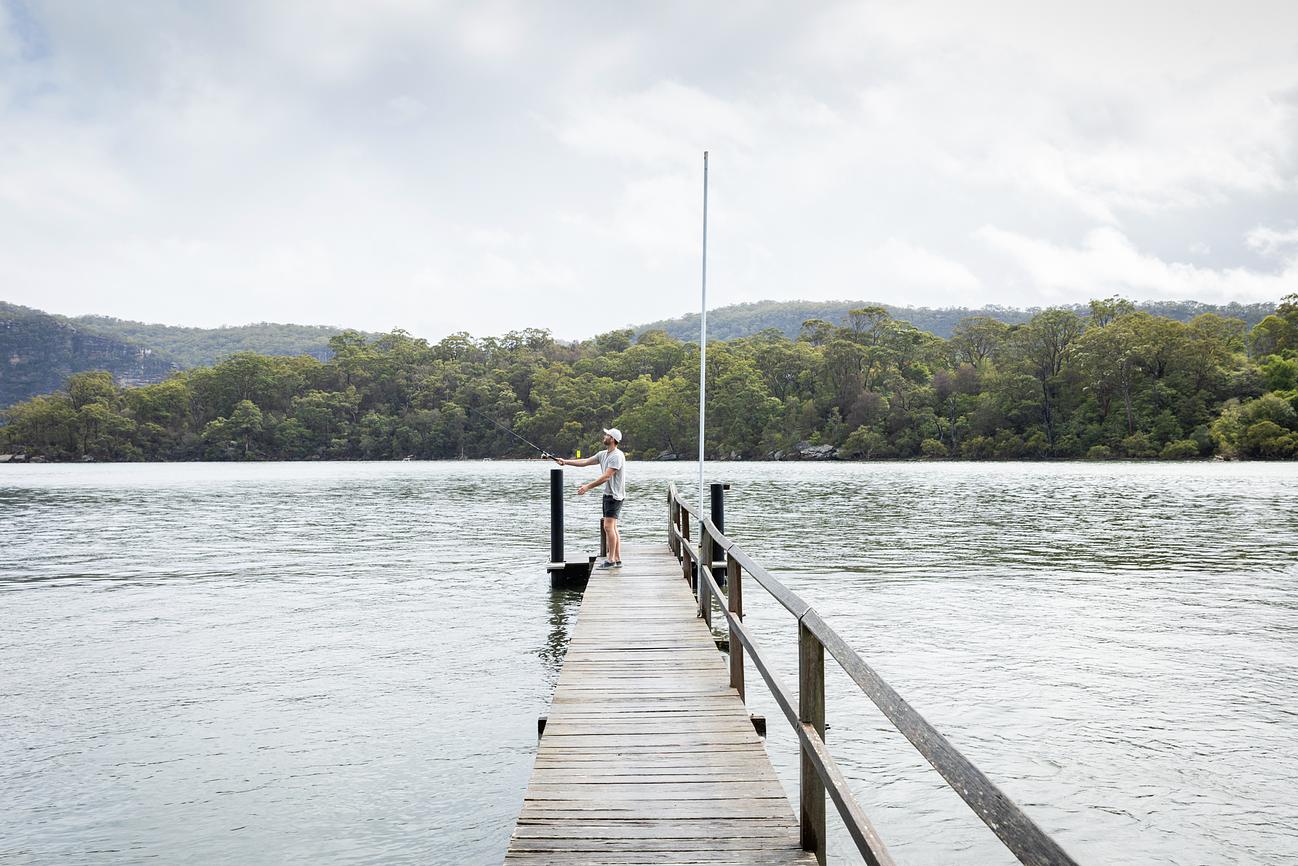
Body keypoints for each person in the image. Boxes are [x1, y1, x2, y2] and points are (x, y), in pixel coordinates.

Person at [553, 428, 625, 569]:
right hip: (608, 495)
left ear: (613, 439)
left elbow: (607, 476)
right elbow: (585, 462)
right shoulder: (603, 454)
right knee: (613, 527)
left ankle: (611, 560)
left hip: (615, 496)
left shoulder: (617, 456)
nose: (604, 436)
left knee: (608, 527)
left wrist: (587, 487)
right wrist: (565, 462)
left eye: (607, 435)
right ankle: (617, 558)